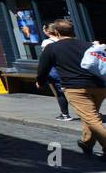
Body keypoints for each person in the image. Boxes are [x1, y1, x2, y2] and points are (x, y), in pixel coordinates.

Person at [36, 19, 106, 161]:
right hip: (99, 86)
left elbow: (43, 67)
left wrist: (40, 81)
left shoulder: (52, 48)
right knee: (89, 116)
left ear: (56, 32)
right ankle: (87, 143)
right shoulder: (88, 45)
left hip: (76, 88)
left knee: (91, 118)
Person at [40, 24, 75, 121]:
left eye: (43, 29)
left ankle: (65, 114)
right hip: (68, 68)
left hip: (55, 70)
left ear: (47, 31)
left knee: (60, 93)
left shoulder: (46, 42)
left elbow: (45, 59)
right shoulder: (64, 40)